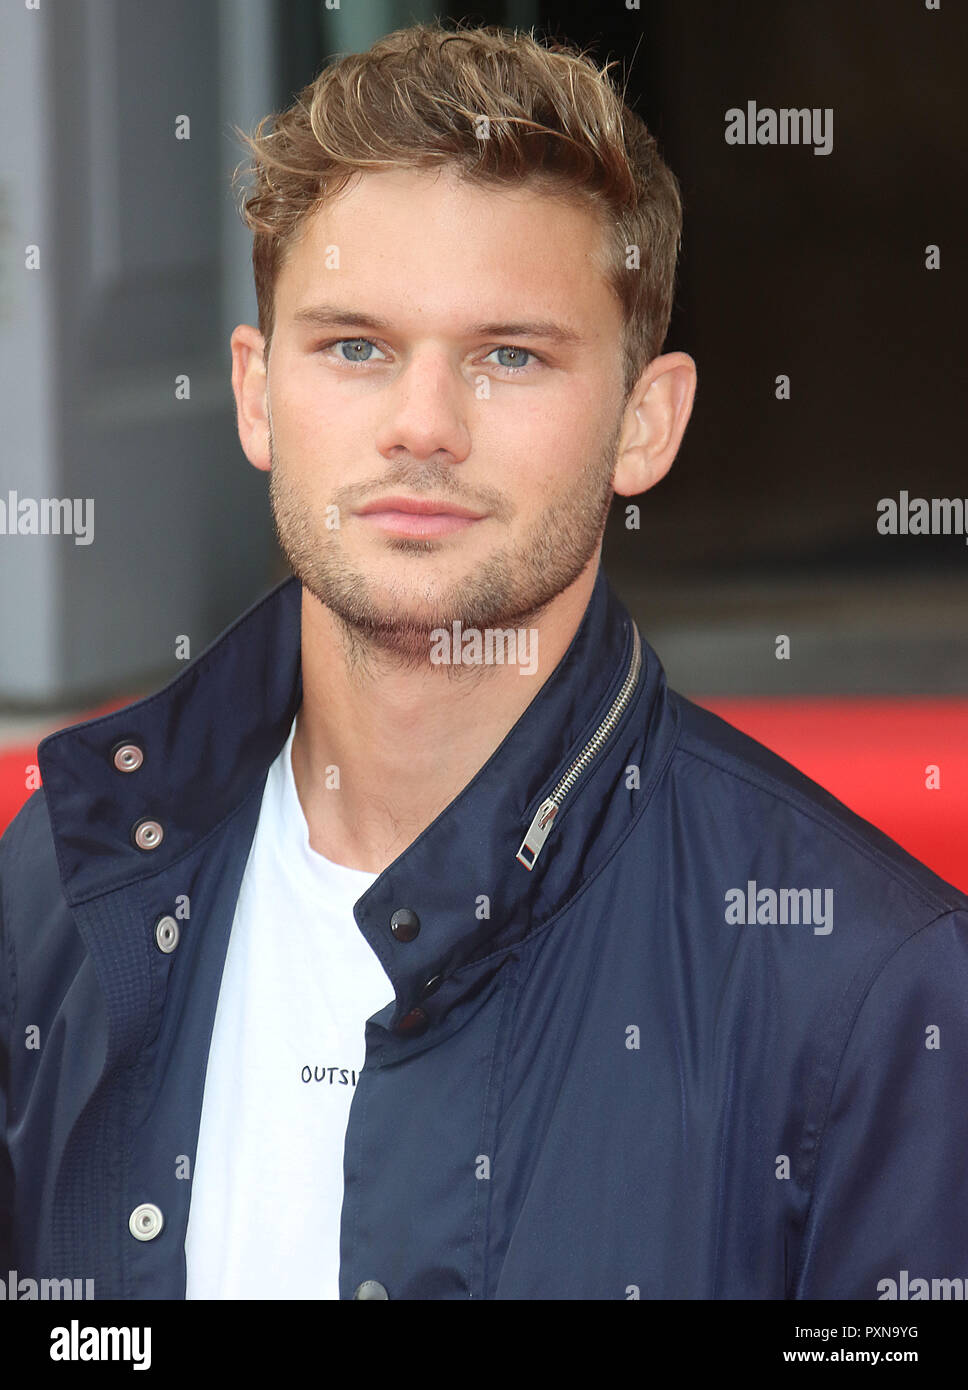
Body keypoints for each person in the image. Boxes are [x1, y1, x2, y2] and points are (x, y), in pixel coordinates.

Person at [2, 19, 967, 1303]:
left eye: (509, 356)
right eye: (354, 346)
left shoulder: (869, 985)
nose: (422, 427)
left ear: (645, 422)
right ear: (254, 393)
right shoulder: (63, 879)